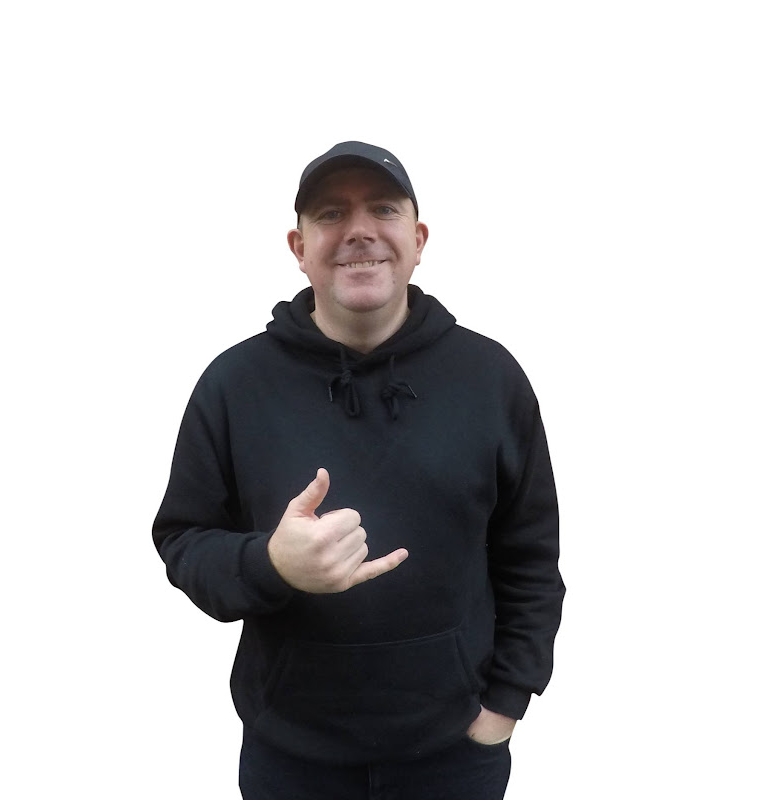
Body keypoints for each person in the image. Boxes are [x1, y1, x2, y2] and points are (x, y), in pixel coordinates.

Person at [153, 141, 565, 799]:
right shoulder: (234, 385)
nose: (359, 230)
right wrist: (270, 564)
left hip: (455, 755)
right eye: (330, 214)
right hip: (290, 758)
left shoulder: (491, 379)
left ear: (418, 238)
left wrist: (506, 706)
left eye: (383, 209)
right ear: (299, 246)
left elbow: (531, 559)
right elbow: (183, 541)